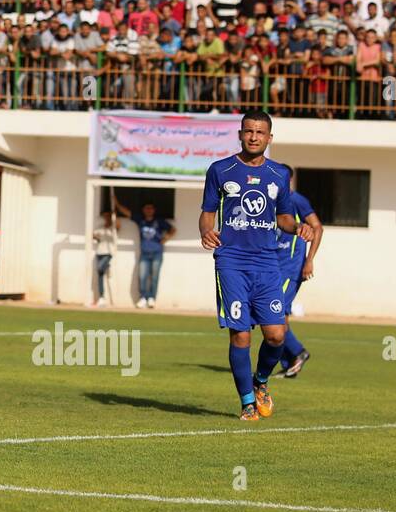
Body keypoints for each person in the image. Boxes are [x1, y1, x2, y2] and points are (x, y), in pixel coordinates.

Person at [199, 110, 313, 421]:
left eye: (260, 132)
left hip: (267, 262)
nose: (253, 137)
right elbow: (208, 211)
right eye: (248, 131)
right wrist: (205, 231)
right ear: (240, 134)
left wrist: (298, 228)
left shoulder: (279, 175)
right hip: (231, 261)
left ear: (269, 138)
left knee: (276, 334)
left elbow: (285, 218)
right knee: (241, 336)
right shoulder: (220, 170)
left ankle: (261, 382)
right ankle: (247, 402)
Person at [273, 164, 322, 378]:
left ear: (289, 180)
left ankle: (299, 352)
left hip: (291, 267)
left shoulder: (297, 201)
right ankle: (289, 363)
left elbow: (318, 227)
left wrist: (309, 260)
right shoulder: (272, 202)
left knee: (274, 314)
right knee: (278, 315)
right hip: (275, 266)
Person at [132, 201, 174, 308]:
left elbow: (173, 229)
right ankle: (142, 298)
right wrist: (116, 203)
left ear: (154, 210)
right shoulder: (141, 221)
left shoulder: (159, 221)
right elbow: (128, 213)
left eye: (151, 208)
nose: (149, 210)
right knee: (142, 276)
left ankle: (151, 298)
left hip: (157, 253)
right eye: (147, 208)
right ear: (143, 210)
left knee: (154, 277)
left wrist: (165, 239)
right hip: (144, 253)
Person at [91, 208, 119, 307]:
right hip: (99, 252)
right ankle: (101, 297)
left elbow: (118, 226)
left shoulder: (113, 228)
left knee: (100, 268)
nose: (106, 218)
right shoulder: (100, 228)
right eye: (105, 216)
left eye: (108, 216)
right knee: (100, 274)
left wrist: (115, 216)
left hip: (108, 253)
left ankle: (107, 266)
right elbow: (93, 236)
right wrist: (96, 237)